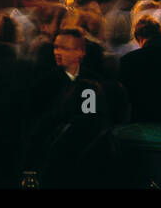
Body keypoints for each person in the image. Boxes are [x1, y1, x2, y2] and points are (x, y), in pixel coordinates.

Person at [22, 27, 115, 188]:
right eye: (56, 47)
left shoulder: (91, 82)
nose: (57, 52)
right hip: (51, 160)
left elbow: (91, 120)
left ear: (80, 52)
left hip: (82, 160)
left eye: (64, 48)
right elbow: (35, 126)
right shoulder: (45, 83)